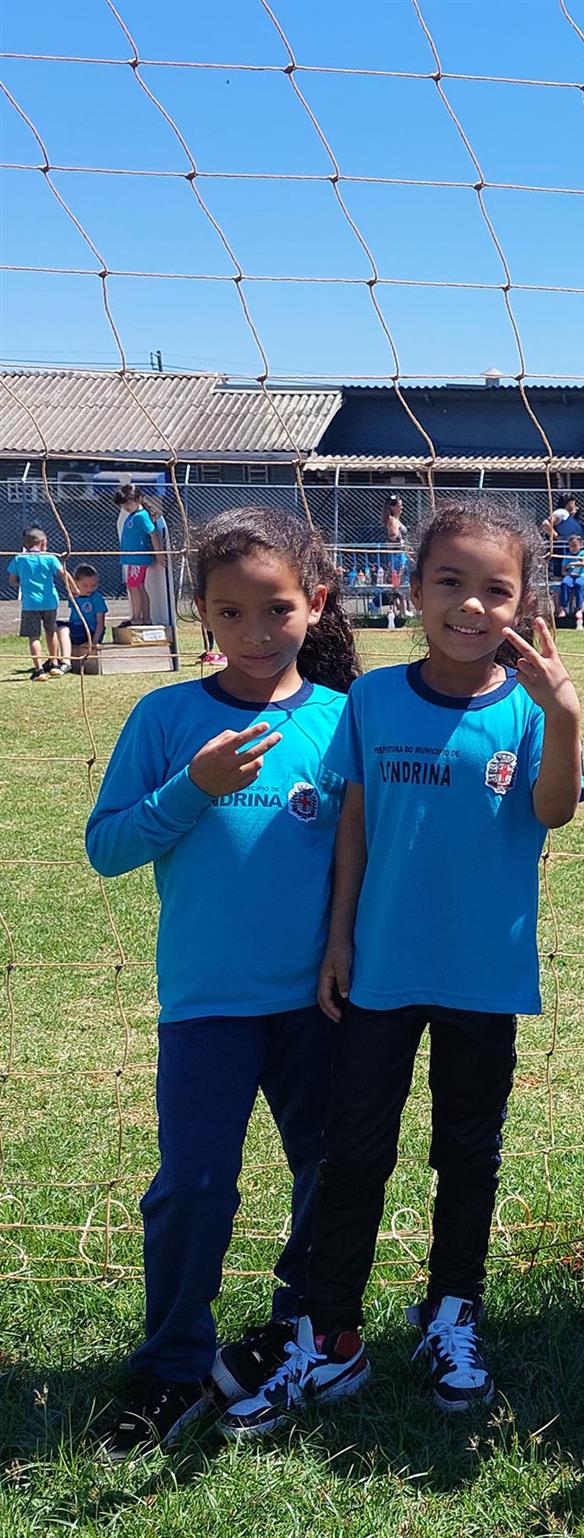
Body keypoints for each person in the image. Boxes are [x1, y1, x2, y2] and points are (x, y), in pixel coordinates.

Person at [219, 501, 584, 1438]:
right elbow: (354, 823)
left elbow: (552, 814)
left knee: (469, 1152)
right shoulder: (374, 700)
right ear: (413, 590)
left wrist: (565, 718)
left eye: (495, 589)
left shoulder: (525, 707)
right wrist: (339, 937)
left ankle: (452, 1312)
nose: (471, 605)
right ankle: (329, 1333)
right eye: (449, 584)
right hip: (381, 968)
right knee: (355, 1154)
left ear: (524, 601)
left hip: (484, 974)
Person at [82, 507, 359, 1458]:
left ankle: (299, 1331)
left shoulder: (339, 718)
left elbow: (362, 857)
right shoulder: (167, 718)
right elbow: (107, 847)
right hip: (205, 1005)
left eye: (276, 608)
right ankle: (171, 1363)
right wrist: (190, 787)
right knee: (194, 1185)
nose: (253, 632)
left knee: (330, 1167)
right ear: (200, 613)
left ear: (314, 603)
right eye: (229, 612)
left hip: (316, 1004)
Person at [10, 525, 67, 678]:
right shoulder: (50, 557)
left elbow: (12, 581)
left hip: (30, 604)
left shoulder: (19, 558)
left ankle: (39, 670)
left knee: (34, 636)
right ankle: (55, 664)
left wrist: (25, 582)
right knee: (51, 632)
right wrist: (74, 590)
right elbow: (64, 574)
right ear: (43, 542)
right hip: (50, 602)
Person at [116, 488, 162, 627]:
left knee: (133, 586)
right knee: (138, 587)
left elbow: (152, 533)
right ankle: (145, 618)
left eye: (127, 504)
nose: (125, 508)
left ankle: (137, 618)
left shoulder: (141, 516)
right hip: (133, 559)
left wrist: (159, 554)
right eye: (122, 505)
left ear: (137, 500)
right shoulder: (133, 515)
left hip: (138, 559)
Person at [64, 562, 110, 664]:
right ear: (75, 583)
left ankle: (63, 660)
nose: (90, 589)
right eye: (85, 585)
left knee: (67, 630)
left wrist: (94, 642)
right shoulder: (74, 597)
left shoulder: (96, 598)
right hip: (76, 628)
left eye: (93, 585)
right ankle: (57, 659)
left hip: (89, 631)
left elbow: (100, 623)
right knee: (57, 627)